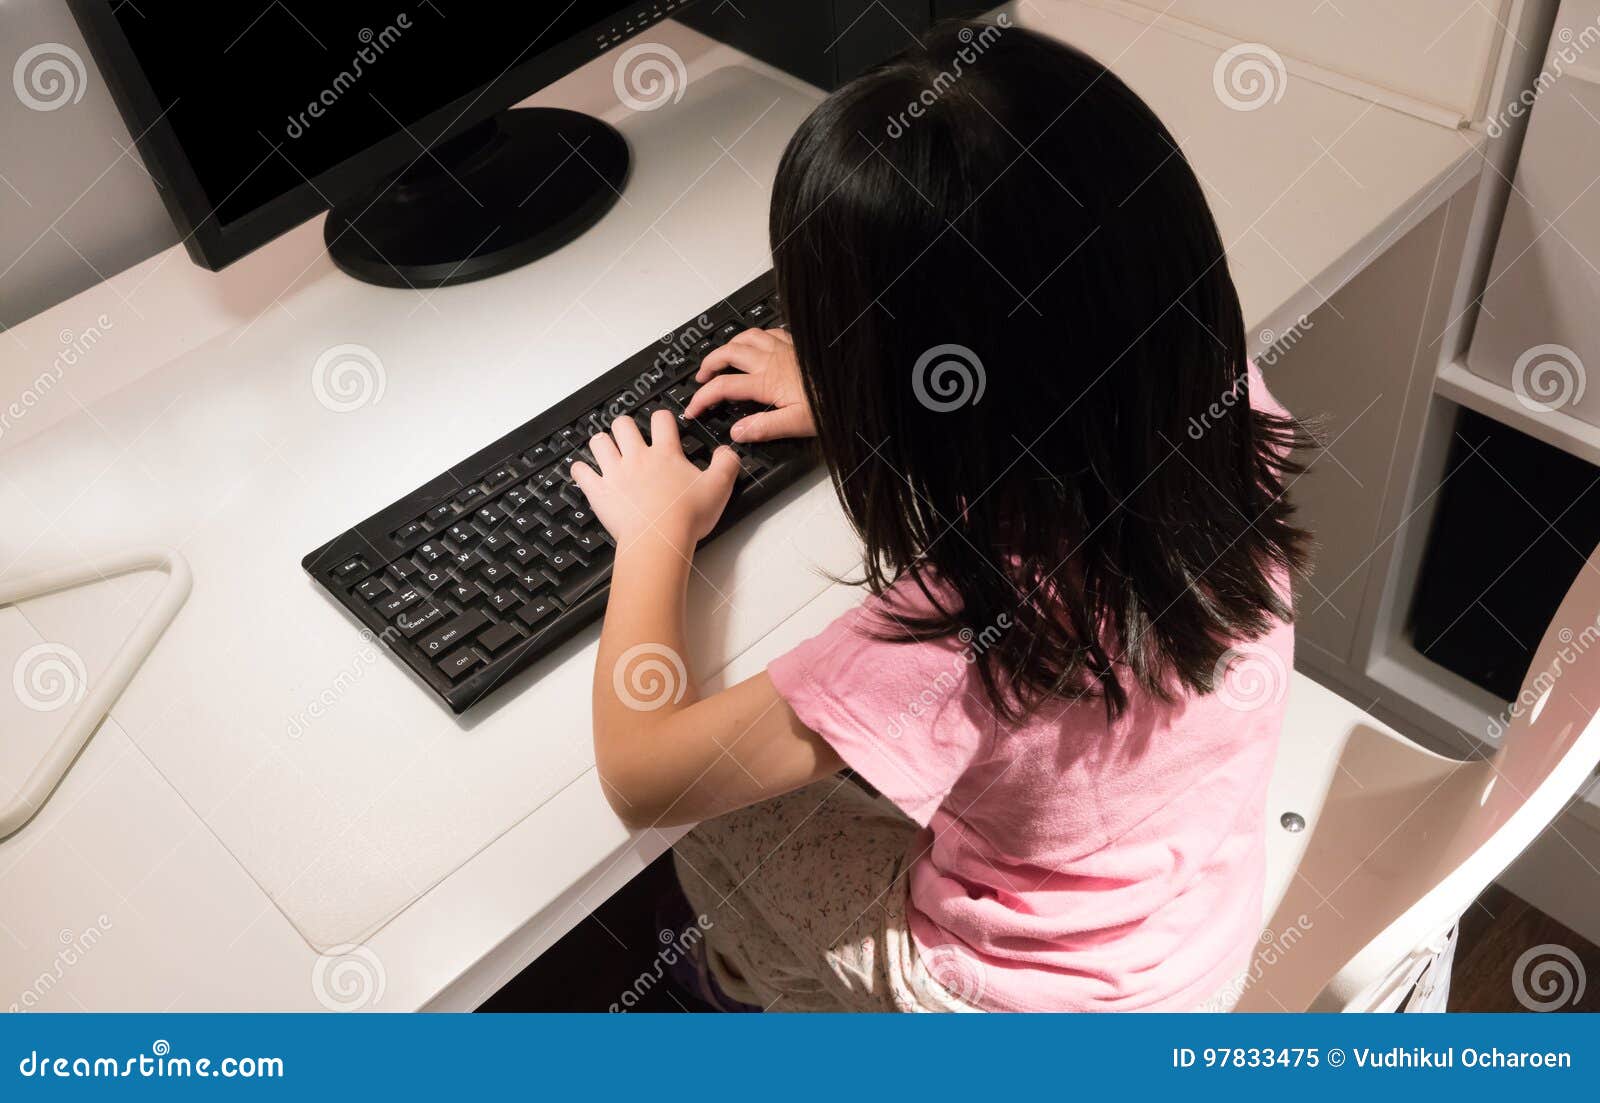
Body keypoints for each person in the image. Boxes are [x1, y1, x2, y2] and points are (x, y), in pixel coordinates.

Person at [568, 18, 1310, 1011]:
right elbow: (1047, 376)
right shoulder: (1219, 400)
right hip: (1187, 926)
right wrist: (865, 395)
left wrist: (655, 532)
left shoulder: (963, 624)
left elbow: (641, 776)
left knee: (722, 830)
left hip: (1012, 1004)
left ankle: (768, 992)